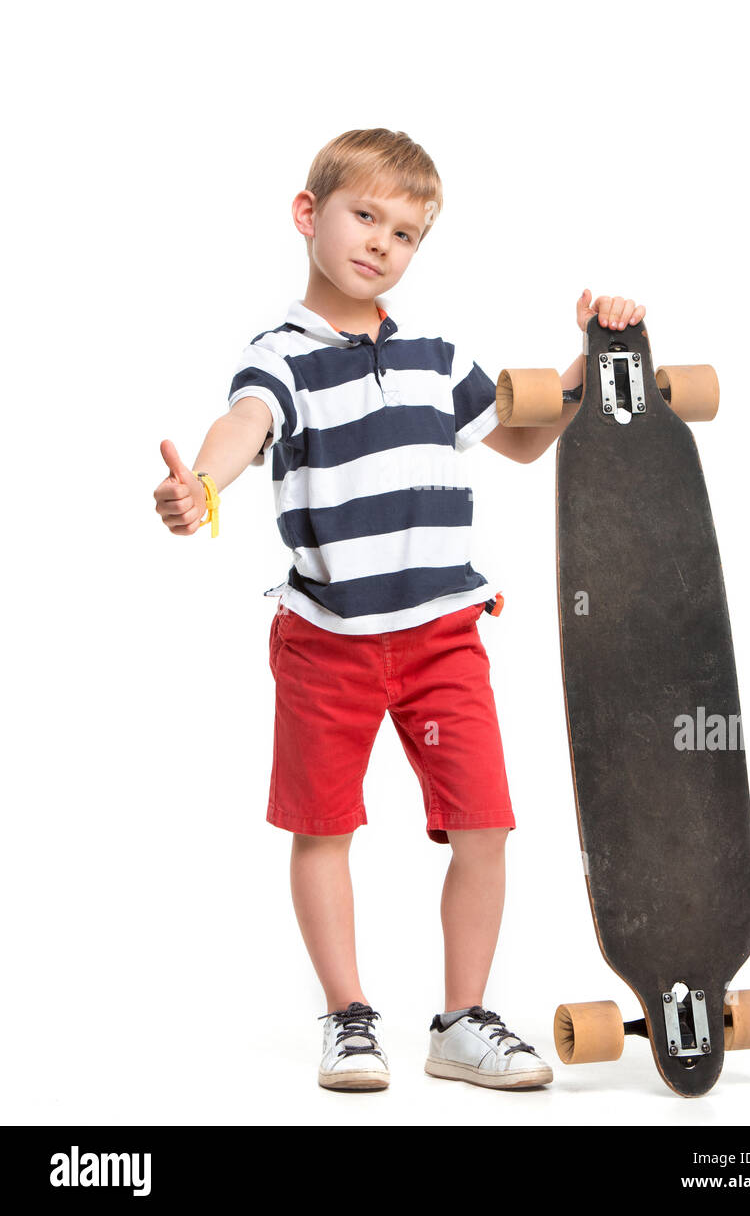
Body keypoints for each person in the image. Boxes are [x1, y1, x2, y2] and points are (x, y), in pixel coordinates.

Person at [153, 128, 645, 1092]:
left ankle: (462, 1021)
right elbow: (240, 428)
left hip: (441, 636)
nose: (381, 243)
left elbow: (525, 440)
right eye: (364, 216)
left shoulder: (437, 357)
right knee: (323, 825)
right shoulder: (281, 359)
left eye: (406, 233)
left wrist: (591, 363)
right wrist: (202, 492)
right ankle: (348, 1018)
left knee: (485, 824)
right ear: (310, 214)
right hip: (327, 641)